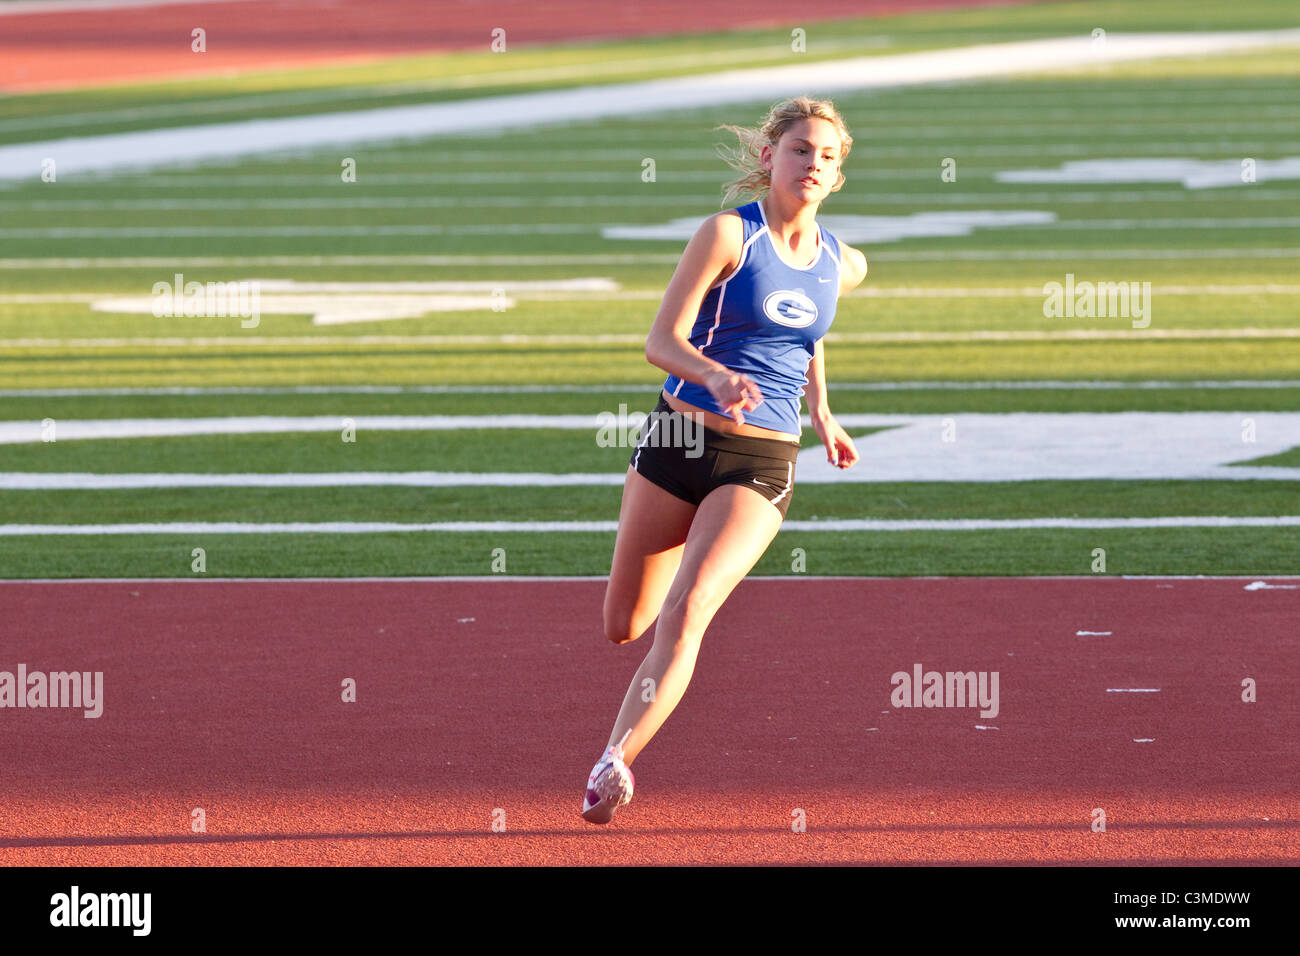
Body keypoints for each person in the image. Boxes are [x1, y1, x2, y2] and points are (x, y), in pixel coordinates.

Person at [582, 95, 869, 824]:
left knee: (689, 611)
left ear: (838, 177)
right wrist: (710, 373)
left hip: (761, 460)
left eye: (827, 156)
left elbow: (805, 332)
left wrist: (821, 413)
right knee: (625, 624)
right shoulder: (726, 236)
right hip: (677, 440)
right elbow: (660, 342)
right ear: (769, 158)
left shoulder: (845, 261)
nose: (813, 164)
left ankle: (614, 760)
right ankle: (667, 574)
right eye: (801, 149)